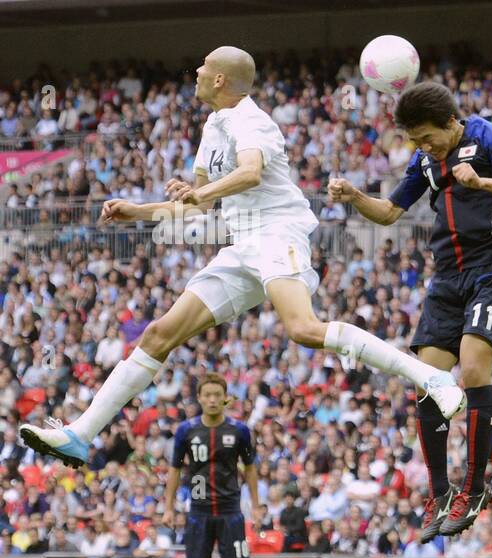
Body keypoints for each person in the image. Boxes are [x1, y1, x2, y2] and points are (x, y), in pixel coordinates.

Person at [19, 47, 464, 469]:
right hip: (242, 243)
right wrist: (138, 210)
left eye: (202, 66)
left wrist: (201, 191)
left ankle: (432, 378)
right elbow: (195, 204)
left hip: (276, 232)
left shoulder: (253, 121)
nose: (194, 72)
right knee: (159, 334)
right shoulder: (213, 125)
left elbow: (249, 172)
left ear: (219, 78)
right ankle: (80, 435)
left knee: (304, 329)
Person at [329, 81, 492, 539]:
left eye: (426, 137)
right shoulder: (426, 159)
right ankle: (440, 494)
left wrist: (482, 182)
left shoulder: (488, 138)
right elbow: (389, 212)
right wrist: (356, 196)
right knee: (427, 381)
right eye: (415, 140)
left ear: (450, 123)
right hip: (447, 278)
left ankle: (475, 487)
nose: (423, 146)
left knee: (475, 371)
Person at [162, 373, 260, 558]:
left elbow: (250, 468)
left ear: (226, 397)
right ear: (201, 398)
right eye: (208, 395)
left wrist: (255, 504)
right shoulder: (186, 430)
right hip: (198, 512)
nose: (213, 399)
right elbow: (174, 469)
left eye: (218, 394)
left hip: (230, 511)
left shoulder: (239, 430)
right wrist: (168, 507)